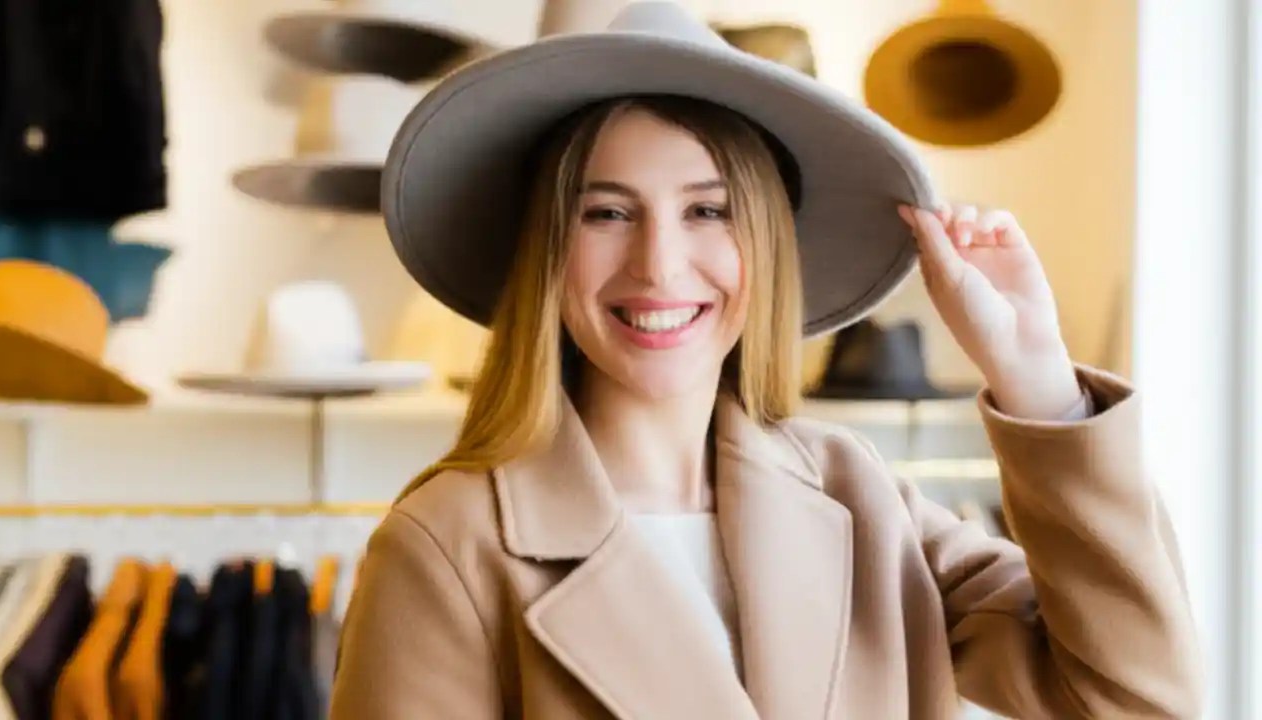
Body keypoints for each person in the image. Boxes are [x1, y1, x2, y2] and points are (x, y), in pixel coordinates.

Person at [330, 3, 1202, 718]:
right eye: (607, 213)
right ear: (548, 254)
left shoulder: (858, 499)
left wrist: (1035, 376)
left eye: (708, 211)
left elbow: (1137, 700)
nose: (659, 266)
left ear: (768, 246)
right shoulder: (448, 546)